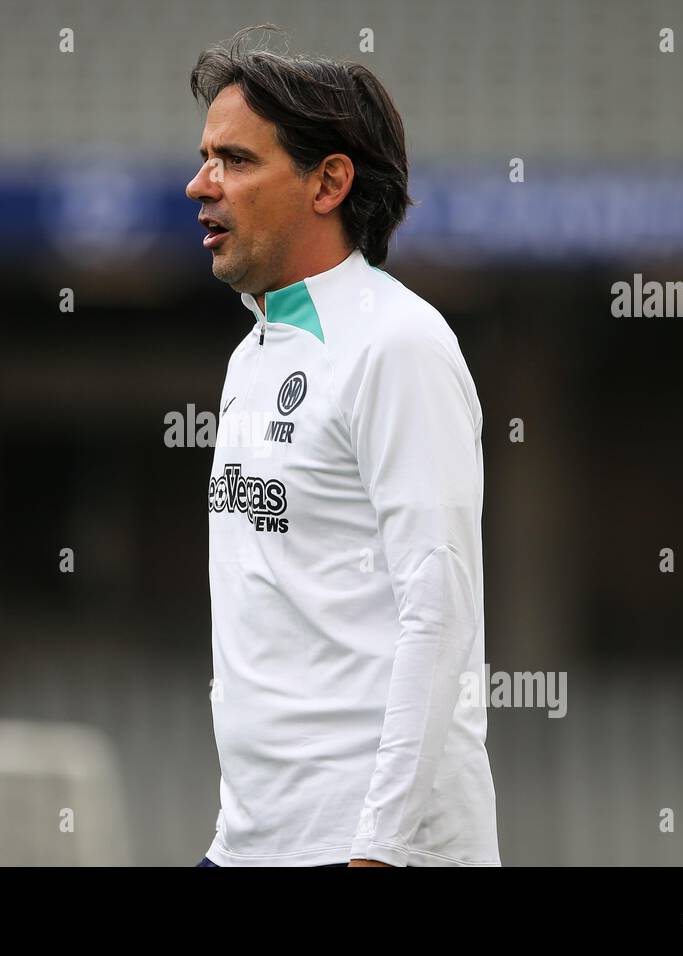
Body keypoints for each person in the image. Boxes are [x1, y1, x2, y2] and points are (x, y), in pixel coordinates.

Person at [185, 26, 500, 867]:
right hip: (253, 843)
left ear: (329, 182)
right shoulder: (251, 353)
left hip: (369, 848)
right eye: (205, 157)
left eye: (235, 160)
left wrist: (378, 848)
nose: (199, 185)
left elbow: (437, 612)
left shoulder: (399, 345)